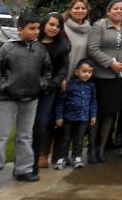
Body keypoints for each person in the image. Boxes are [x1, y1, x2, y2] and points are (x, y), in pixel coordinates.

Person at [0, 12, 52, 188]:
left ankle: (23, 170)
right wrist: (6, 87)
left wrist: (41, 84)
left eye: (37, 28)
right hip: (8, 99)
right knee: (0, 137)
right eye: (32, 29)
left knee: (25, 136)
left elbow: (47, 71)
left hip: (31, 99)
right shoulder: (8, 48)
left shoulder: (40, 49)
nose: (36, 32)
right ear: (20, 29)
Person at [86, 0, 122, 163]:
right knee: (98, 114)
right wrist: (111, 63)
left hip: (119, 77)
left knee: (111, 113)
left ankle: (102, 149)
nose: (119, 11)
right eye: (115, 8)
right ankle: (92, 149)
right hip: (102, 76)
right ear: (108, 11)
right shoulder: (99, 25)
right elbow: (93, 49)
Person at [33, 13, 70, 170]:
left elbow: (63, 68)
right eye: (51, 24)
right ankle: (27, 155)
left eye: (57, 26)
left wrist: (53, 83)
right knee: (28, 123)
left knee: (44, 122)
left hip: (50, 89)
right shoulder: (33, 42)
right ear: (43, 24)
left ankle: (40, 154)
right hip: (30, 88)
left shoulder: (62, 45)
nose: (54, 28)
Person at [52, 59, 97, 170]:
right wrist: (59, 116)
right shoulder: (69, 85)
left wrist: (93, 115)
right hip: (68, 118)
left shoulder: (91, 86)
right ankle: (62, 157)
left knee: (79, 138)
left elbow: (93, 102)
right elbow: (61, 101)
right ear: (77, 72)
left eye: (90, 72)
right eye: (84, 71)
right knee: (66, 138)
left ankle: (77, 156)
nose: (87, 74)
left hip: (83, 118)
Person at [62, 0, 92, 76]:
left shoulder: (90, 30)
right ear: (70, 10)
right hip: (64, 75)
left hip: (83, 77)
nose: (80, 11)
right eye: (76, 8)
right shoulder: (62, 28)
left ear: (87, 10)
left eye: (83, 8)